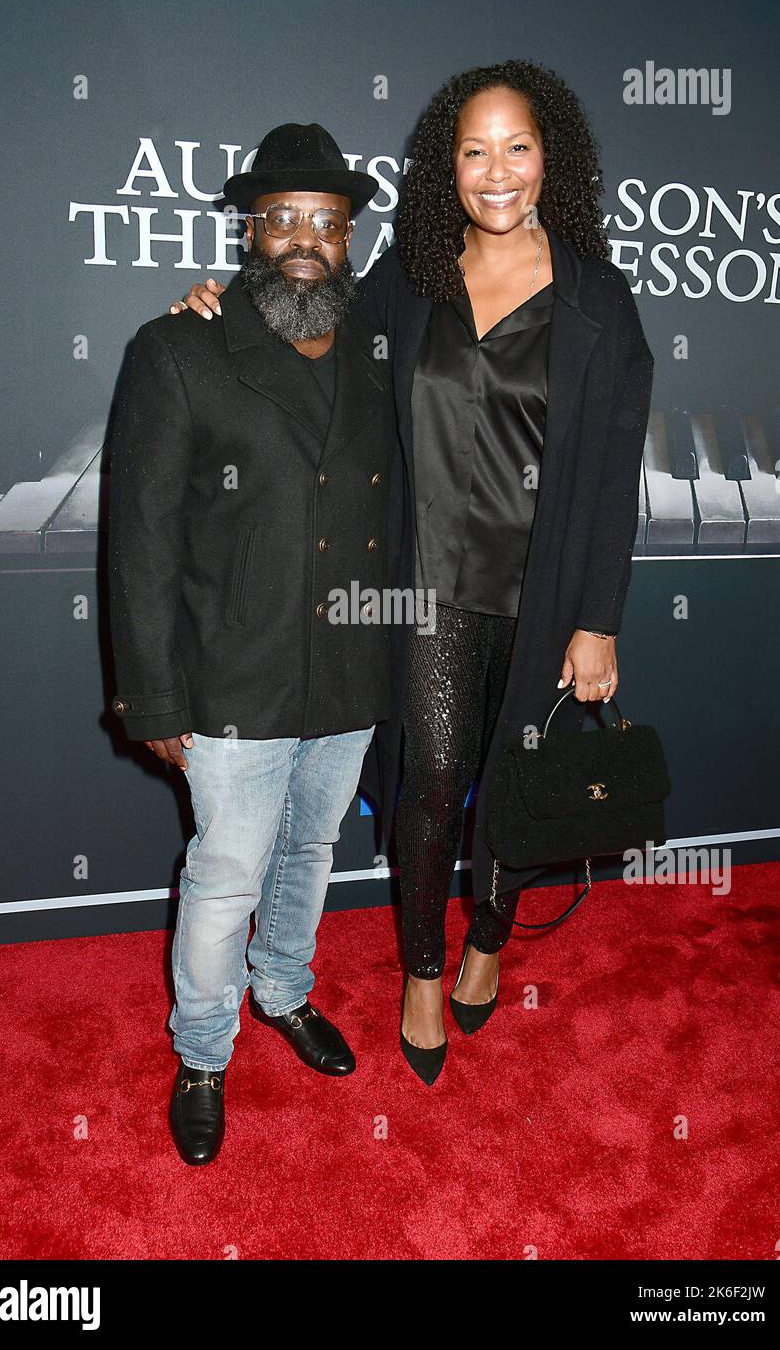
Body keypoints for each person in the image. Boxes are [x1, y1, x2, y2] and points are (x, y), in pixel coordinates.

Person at [173, 59, 654, 1086]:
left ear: (547, 158)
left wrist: (597, 621)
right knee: (432, 782)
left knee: (517, 784)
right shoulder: (407, 273)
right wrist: (225, 312)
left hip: (541, 599)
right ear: (447, 165)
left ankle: (488, 934)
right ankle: (426, 968)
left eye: (514, 147)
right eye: (471, 149)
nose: (494, 170)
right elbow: (313, 336)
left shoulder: (596, 300)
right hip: (423, 586)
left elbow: (613, 476)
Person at [109, 123, 396, 1163]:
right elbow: (137, 542)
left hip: (349, 667)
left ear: (351, 234)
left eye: (326, 221)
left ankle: (282, 992)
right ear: (249, 229)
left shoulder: (380, 337)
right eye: (282, 219)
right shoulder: (178, 347)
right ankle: (201, 1052)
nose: (304, 239)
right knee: (224, 872)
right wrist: (153, 697)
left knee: (310, 854)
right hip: (230, 672)